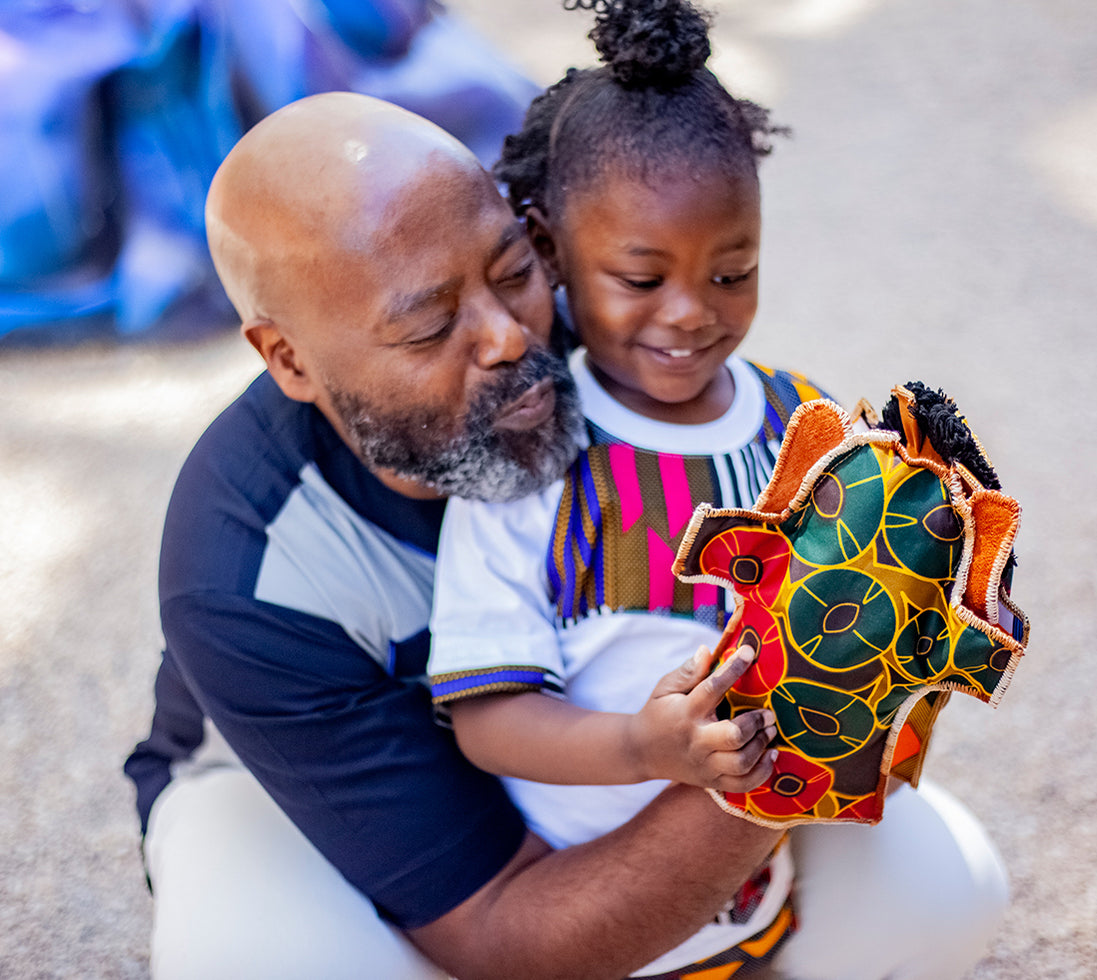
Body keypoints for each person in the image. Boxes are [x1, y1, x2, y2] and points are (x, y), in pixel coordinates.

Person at [123, 89, 794, 980]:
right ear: (288, 359)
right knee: (267, 962)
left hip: (617, 750)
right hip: (285, 787)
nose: (508, 338)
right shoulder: (243, 569)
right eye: (431, 325)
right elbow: (497, 935)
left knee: (936, 893)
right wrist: (803, 745)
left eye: (514, 272)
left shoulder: (612, 353)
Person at [427, 1, 1010, 977]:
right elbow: (487, 719)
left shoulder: (806, 424)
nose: (692, 313)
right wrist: (642, 745)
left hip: (757, 892)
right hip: (599, 909)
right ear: (550, 247)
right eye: (640, 278)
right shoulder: (531, 456)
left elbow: (878, 611)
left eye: (732, 271)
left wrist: (950, 598)